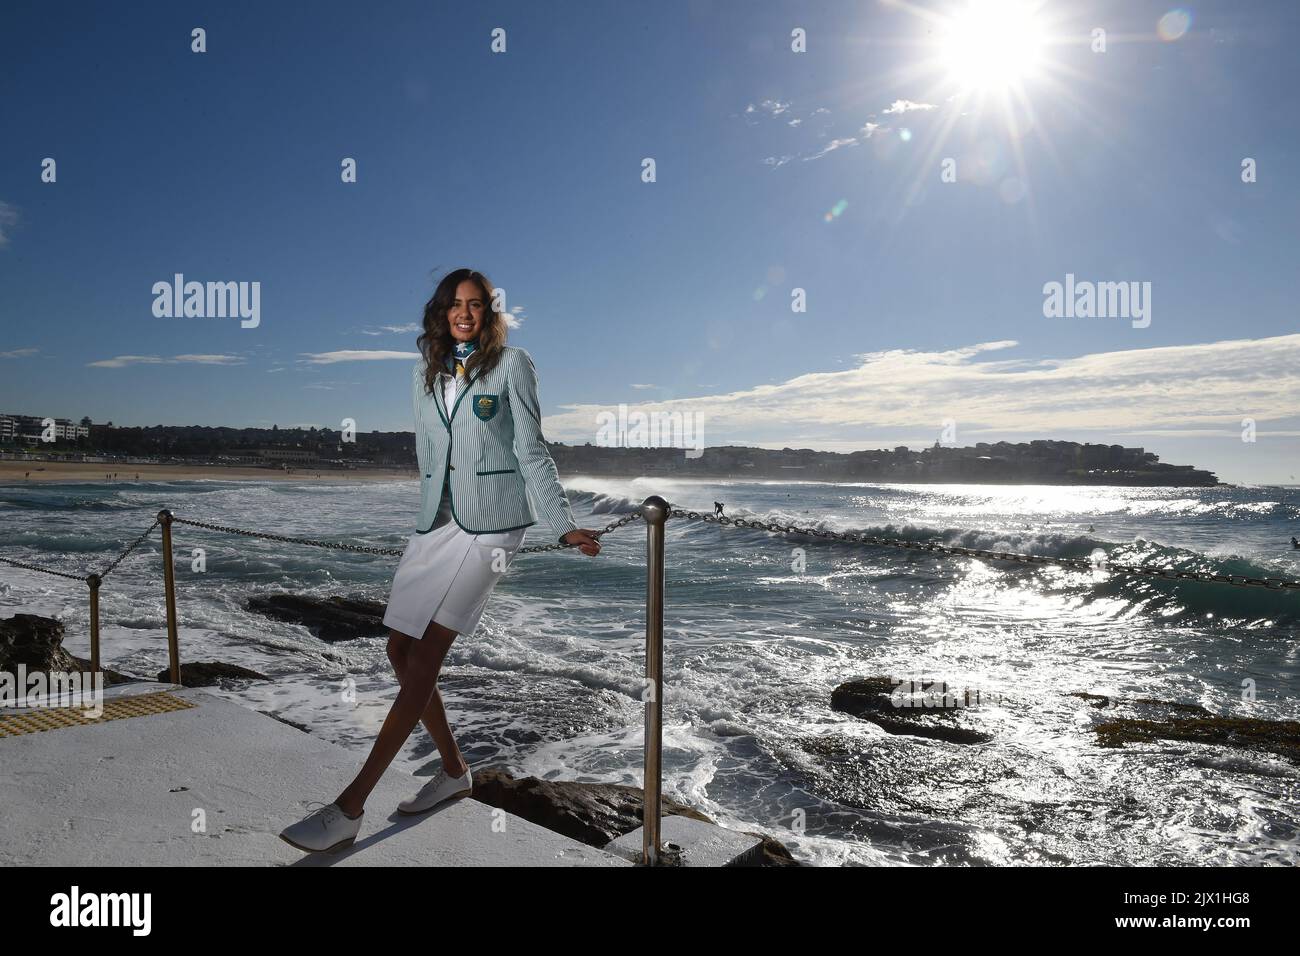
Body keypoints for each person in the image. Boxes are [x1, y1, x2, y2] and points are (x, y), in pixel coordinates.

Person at [279, 268, 602, 854]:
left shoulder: (513, 364)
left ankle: (350, 806)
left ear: (490, 313)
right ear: (440, 311)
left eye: (476, 305)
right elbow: (432, 450)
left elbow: (532, 449)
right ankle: (454, 772)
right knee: (398, 647)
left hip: (494, 526)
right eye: (456, 304)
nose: (465, 313)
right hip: (439, 522)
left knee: (427, 650)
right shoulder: (423, 369)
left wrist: (562, 526)